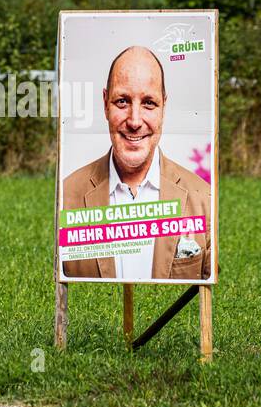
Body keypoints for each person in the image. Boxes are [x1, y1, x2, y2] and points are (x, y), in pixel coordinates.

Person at [61, 45, 212, 281]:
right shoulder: (66, 196)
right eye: (122, 101)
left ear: (164, 106)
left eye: (149, 103)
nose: (134, 121)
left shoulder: (204, 198)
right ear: (104, 104)